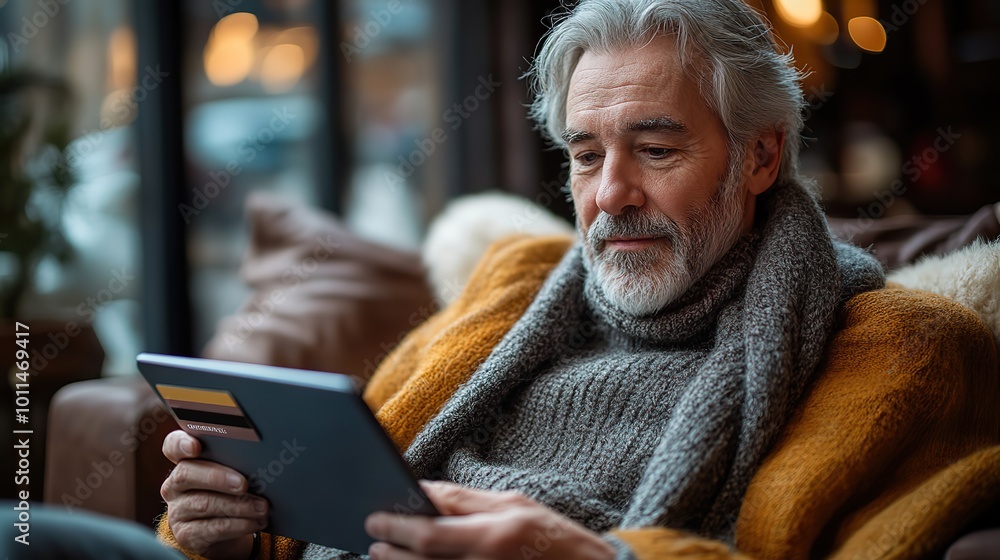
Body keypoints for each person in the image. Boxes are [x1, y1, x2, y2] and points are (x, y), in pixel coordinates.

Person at [155, 0, 1000, 559]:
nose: (610, 195)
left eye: (656, 150)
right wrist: (242, 528)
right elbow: (346, 493)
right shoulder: (511, 284)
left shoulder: (909, 352)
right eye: (586, 156)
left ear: (761, 155)